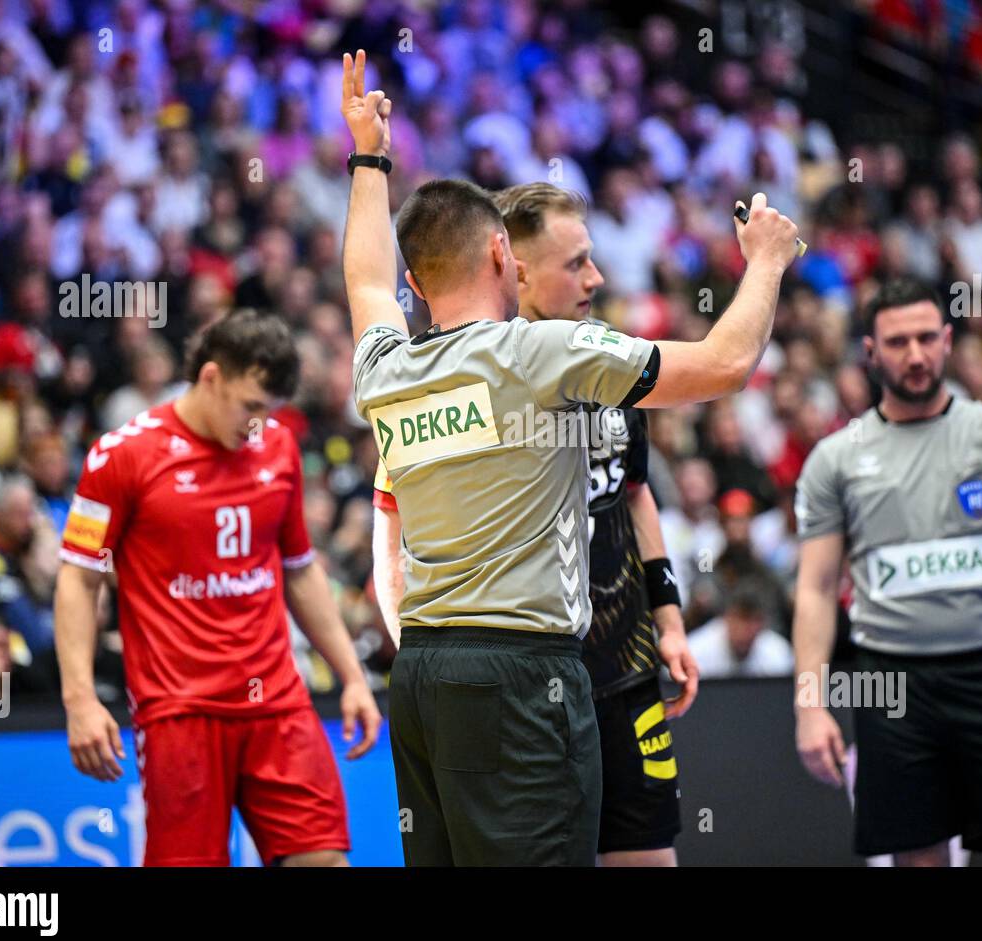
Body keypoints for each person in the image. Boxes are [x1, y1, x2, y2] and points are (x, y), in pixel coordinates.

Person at [341, 49, 800, 865]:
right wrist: (764, 261)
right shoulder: (539, 354)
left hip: (421, 674)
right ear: (500, 260)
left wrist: (368, 157)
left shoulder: (384, 365)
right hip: (523, 676)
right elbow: (727, 363)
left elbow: (366, 278)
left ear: (418, 282)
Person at [371, 182, 700, 866]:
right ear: (510, 262)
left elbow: (635, 494)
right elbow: (391, 536)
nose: (595, 277)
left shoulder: (604, 362)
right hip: (522, 669)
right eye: (576, 262)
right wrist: (414, 632)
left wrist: (667, 616)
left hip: (617, 665)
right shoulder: (489, 365)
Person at [54, 308, 382, 867]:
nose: (259, 424)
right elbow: (80, 579)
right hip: (179, 710)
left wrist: (351, 675)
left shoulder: (277, 448)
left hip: (276, 700)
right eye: (251, 406)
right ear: (210, 378)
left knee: (324, 861)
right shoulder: (123, 454)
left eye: (271, 411)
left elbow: (299, 569)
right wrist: (79, 698)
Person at [793, 279, 982, 866]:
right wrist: (810, 706)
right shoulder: (835, 459)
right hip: (892, 686)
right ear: (869, 351)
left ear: (948, 341)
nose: (914, 355)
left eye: (926, 338)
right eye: (897, 342)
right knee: (920, 862)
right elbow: (816, 591)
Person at [687, 585, 794, 679]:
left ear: (763, 623)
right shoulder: (695, 651)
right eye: (741, 618)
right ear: (726, 617)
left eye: (755, 620)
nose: (747, 628)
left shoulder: (778, 652)